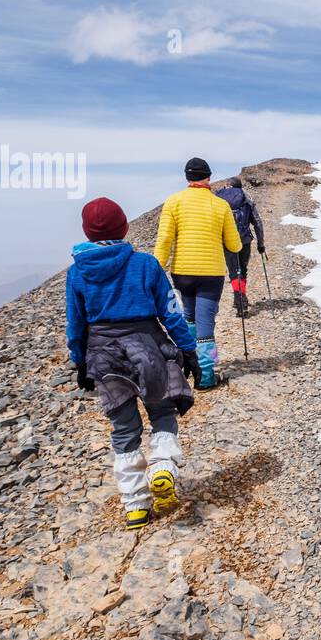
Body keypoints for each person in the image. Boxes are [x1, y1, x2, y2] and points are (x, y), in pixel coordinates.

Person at [65, 197, 200, 531]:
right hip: (148, 347)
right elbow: (171, 311)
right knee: (162, 414)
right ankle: (163, 469)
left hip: (103, 353)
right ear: (124, 227)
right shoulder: (145, 265)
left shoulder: (77, 272)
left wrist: (80, 361)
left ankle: (136, 505)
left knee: (124, 430)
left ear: (86, 231)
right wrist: (189, 350)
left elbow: (75, 322)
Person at [153, 158, 242, 388]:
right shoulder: (220, 205)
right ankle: (206, 376)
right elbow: (234, 246)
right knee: (205, 324)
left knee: (189, 318)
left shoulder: (173, 202)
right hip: (211, 273)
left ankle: (187, 367)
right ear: (208, 177)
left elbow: (164, 240)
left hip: (182, 271)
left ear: (187, 177)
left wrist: (156, 269)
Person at [215, 176, 265, 317]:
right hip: (244, 240)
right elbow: (257, 222)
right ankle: (241, 297)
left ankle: (239, 299)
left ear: (227, 186)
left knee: (233, 271)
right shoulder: (246, 197)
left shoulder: (218, 197)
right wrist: (261, 244)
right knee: (242, 270)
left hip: (226, 241)